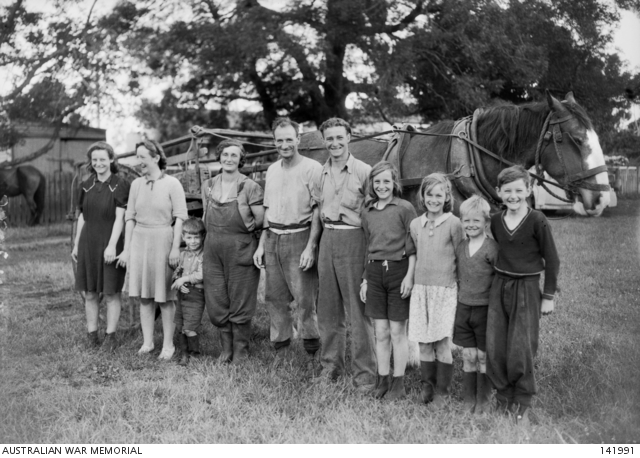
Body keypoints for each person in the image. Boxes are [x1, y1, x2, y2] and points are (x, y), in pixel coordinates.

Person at [486, 165, 559, 425]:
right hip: (500, 285)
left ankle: (523, 402)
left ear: (529, 190)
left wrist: (548, 296)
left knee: (522, 346)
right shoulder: (495, 220)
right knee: (496, 345)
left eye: (519, 190)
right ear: (498, 192)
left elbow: (552, 260)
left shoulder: (537, 220)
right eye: (508, 191)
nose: (513, 196)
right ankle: (503, 396)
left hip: (527, 288)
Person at [312, 118, 377, 391]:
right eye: (329, 138)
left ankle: (365, 374)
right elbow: (317, 210)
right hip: (328, 238)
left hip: (354, 239)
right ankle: (331, 367)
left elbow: (374, 216)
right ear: (323, 140)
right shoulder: (320, 173)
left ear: (350, 137)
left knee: (358, 310)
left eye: (340, 137)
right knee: (327, 309)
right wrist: (312, 246)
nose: (335, 143)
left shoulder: (364, 171)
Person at [253, 117, 323, 362]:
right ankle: (281, 348)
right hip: (273, 238)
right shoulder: (272, 170)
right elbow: (268, 211)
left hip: (299, 236)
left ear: (298, 140)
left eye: (289, 140)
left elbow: (317, 210)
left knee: (305, 298)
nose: (285, 145)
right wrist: (262, 244)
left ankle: (312, 350)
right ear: (274, 142)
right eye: (280, 140)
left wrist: (311, 247)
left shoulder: (312, 168)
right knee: (274, 297)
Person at [117, 139, 188, 360]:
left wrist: (175, 248)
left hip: (163, 240)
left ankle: (168, 345)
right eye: (137, 157)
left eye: (142, 157)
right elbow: (129, 218)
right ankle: (147, 342)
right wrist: (127, 249)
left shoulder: (172, 184)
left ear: (156, 158)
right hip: (140, 240)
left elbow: (179, 218)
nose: (139, 162)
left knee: (165, 296)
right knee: (144, 296)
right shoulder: (136, 185)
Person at [202, 139, 264, 364]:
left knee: (240, 300)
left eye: (234, 155)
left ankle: (240, 351)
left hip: (240, 248)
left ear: (241, 159)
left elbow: (259, 220)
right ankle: (226, 349)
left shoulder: (250, 186)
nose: (229, 159)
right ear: (219, 156)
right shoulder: (208, 185)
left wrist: (245, 238)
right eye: (225, 154)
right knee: (217, 299)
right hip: (213, 249)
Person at [360, 161, 417, 401]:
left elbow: (413, 247)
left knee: (397, 331)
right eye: (377, 181)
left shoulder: (405, 208)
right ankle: (382, 380)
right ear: (372, 184)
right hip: (374, 273)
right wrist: (364, 279)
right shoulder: (368, 210)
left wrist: (409, 276)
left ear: (394, 183)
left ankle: (398, 383)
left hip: (398, 272)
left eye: (386, 181)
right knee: (380, 332)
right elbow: (367, 246)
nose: (382, 186)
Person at [408, 173, 465, 408]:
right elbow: (415, 254)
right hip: (421, 290)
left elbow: (461, 256)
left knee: (441, 343)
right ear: (422, 196)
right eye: (429, 194)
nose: (433, 199)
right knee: (423, 343)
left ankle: (442, 391)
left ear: (447, 197)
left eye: (438, 195)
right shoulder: (415, 224)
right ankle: (427, 387)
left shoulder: (453, 223)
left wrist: (460, 287)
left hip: (445, 290)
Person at [72, 141, 130, 351]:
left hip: (109, 241)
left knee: (112, 292)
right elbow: (82, 217)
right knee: (90, 292)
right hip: (89, 240)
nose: (98, 163)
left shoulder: (120, 184)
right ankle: (92, 334)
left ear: (111, 160)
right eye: (95, 160)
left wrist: (112, 245)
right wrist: (77, 244)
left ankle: (111, 336)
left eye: (103, 159)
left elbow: (120, 218)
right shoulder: (85, 185)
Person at [453, 195, 498, 414]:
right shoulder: (461, 247)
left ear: (486, 223)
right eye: (466, 221)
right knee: (468, 355)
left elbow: (499, 280)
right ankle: (468, 399)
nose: (471, 225)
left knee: (482, 356)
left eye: (476, 221)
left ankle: (483, 400)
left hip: (485, 310)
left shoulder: (492, 249)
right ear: (461, 221)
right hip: (464, 308)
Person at [172, 217, 206, 366]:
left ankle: (194, 355)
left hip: (196, 295)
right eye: (189, 238)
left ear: (202, 237)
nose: (193, 241)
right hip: (182, 295)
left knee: (189, 328)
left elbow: (201, 275)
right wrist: (179, 281)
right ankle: (184, 354)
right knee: (180, 326)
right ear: (183, 237)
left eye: (196, 237)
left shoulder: (204, 255)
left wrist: (184, 279)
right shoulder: (183, 254)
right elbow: (177, 273)